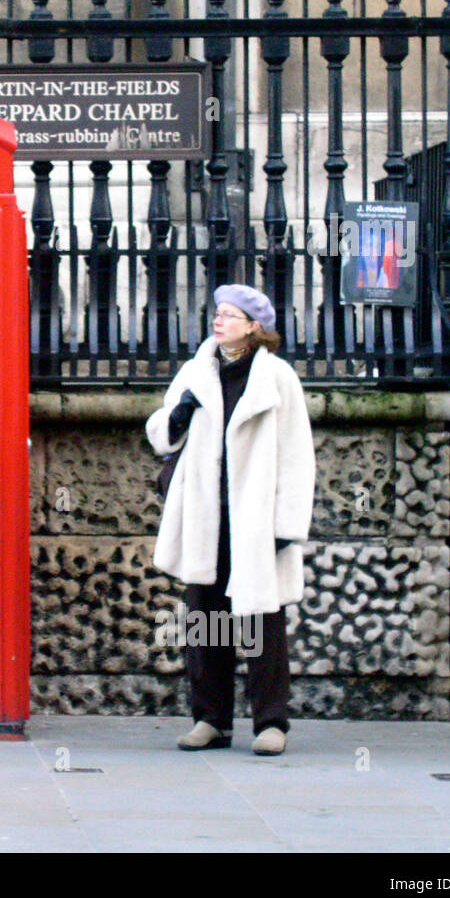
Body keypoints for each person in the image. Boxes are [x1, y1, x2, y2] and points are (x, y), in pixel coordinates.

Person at [146, 284, 317, 756]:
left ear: (254, 326)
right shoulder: (195, 371)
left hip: (256, 520)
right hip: (206, 516)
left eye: (228, 315)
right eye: (216, 314)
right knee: (206, 620)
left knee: (262, 620)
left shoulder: (277, 378)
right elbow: (161, 436)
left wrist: (288, 524)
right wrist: (177, 415)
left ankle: (271, 722)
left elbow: (298, 455)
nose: (218, 321)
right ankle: (211, 720)